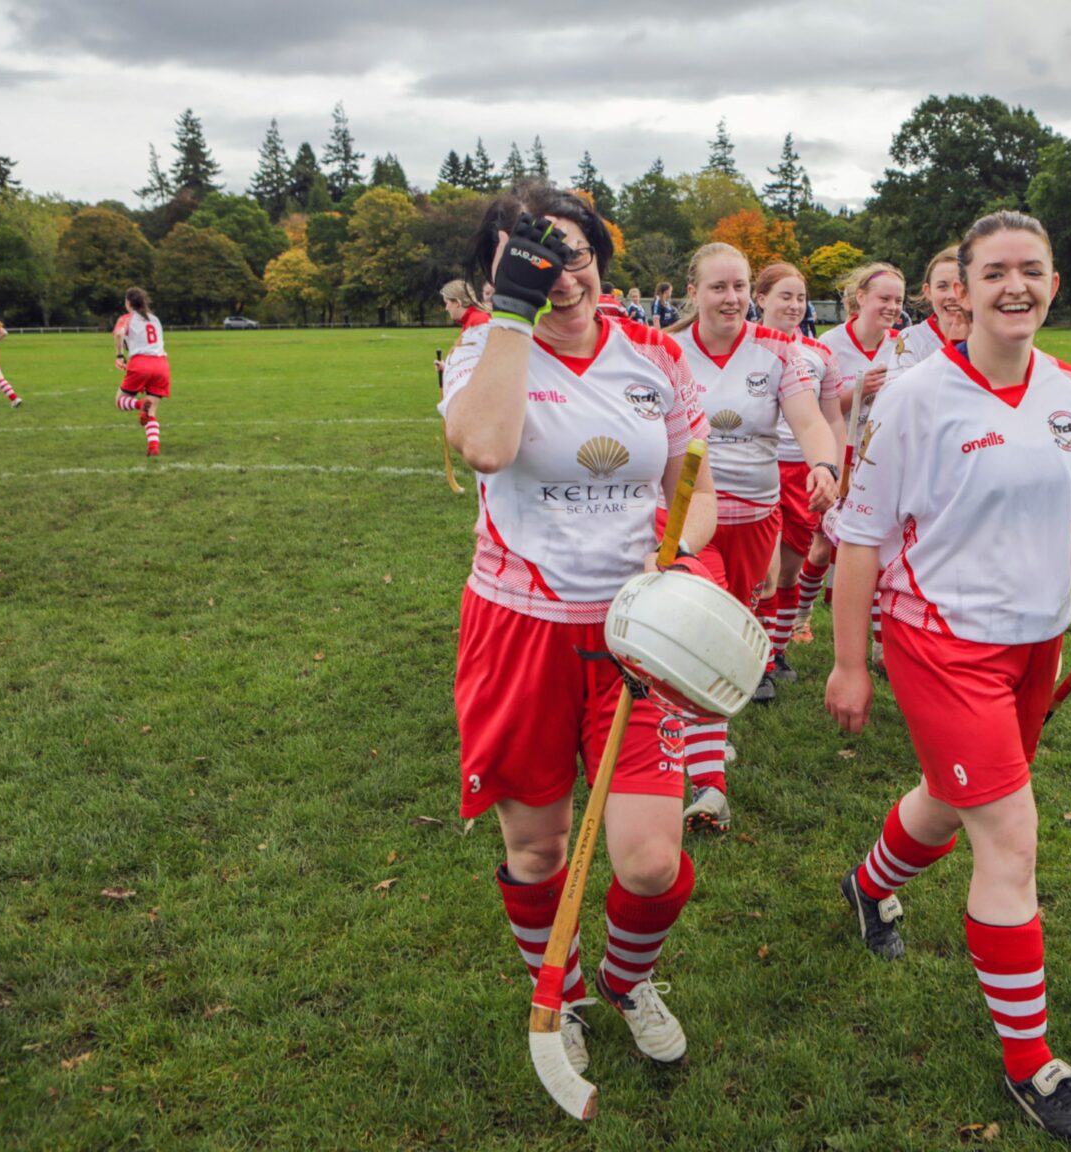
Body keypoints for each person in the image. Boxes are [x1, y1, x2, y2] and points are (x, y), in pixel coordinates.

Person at [827, 211, 1071, 1145]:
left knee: (957, 800)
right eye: (995, 272)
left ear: (1054, 283)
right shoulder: (913, 397)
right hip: (942, 639)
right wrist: (850, 663)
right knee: (1011, 839)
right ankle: (1034, 1067)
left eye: (1032, 270)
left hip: (1037, 641)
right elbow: (859, 539)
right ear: (966, 286)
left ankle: (867, 885)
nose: (1014, 286)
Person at [441, 182, 721, 1074]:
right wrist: (511, 317)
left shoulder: (654, 357)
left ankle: (627, 979)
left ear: (598, 256)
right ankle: (553, 992)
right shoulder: (482, 351)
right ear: (493, 275)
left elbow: (697, 490)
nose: (559, 276)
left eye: (572, 254)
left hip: (638, 635)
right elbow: (484, 448)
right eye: (527, 260)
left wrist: (672, 552)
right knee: (538, 845)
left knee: (647, 861)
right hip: (520, 632)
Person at [666, 241, 840, 834]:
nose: (732, 298)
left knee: (736, 629)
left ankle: (703, 731)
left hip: (756, 518)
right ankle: (708, 783)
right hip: (690, 516)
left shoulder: (777, 353)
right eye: (718, 287)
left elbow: (811, 421)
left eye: (740, 286)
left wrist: (825, 466)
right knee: (698, 630)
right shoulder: (666, 352)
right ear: (693, 292)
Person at [751, 261, 847, 681]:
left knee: (790, 569)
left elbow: (833, 420)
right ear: (761, 299)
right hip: (760, 469)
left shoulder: (821, 353)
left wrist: (833, 470)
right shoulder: (746, 348)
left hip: (805, 474)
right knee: (764, 573)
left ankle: (778, 648)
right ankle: (756, 659)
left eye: (801, 298)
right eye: (784, 296)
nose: (794, 305)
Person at [818, 262, 906, 672]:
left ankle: (879, 646)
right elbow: (816, 410)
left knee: (879, 548)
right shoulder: (830, 344)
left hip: (885, 460)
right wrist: (859, 390)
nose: (892, 307)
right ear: (861, 299)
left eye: (898, 300)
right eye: (884, 298)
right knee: (821, 548)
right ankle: (799, 618)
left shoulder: (902, 345)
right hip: (843, 459)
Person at [113, 288, 169, 455]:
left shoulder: (127, 318)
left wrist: (120, 355)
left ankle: (139, 404)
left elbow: (118, 334)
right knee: (151, 411)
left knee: (120, 401)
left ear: (128, 302)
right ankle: (154, 447)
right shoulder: (155, 319)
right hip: (161, 365)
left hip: (141, 364)